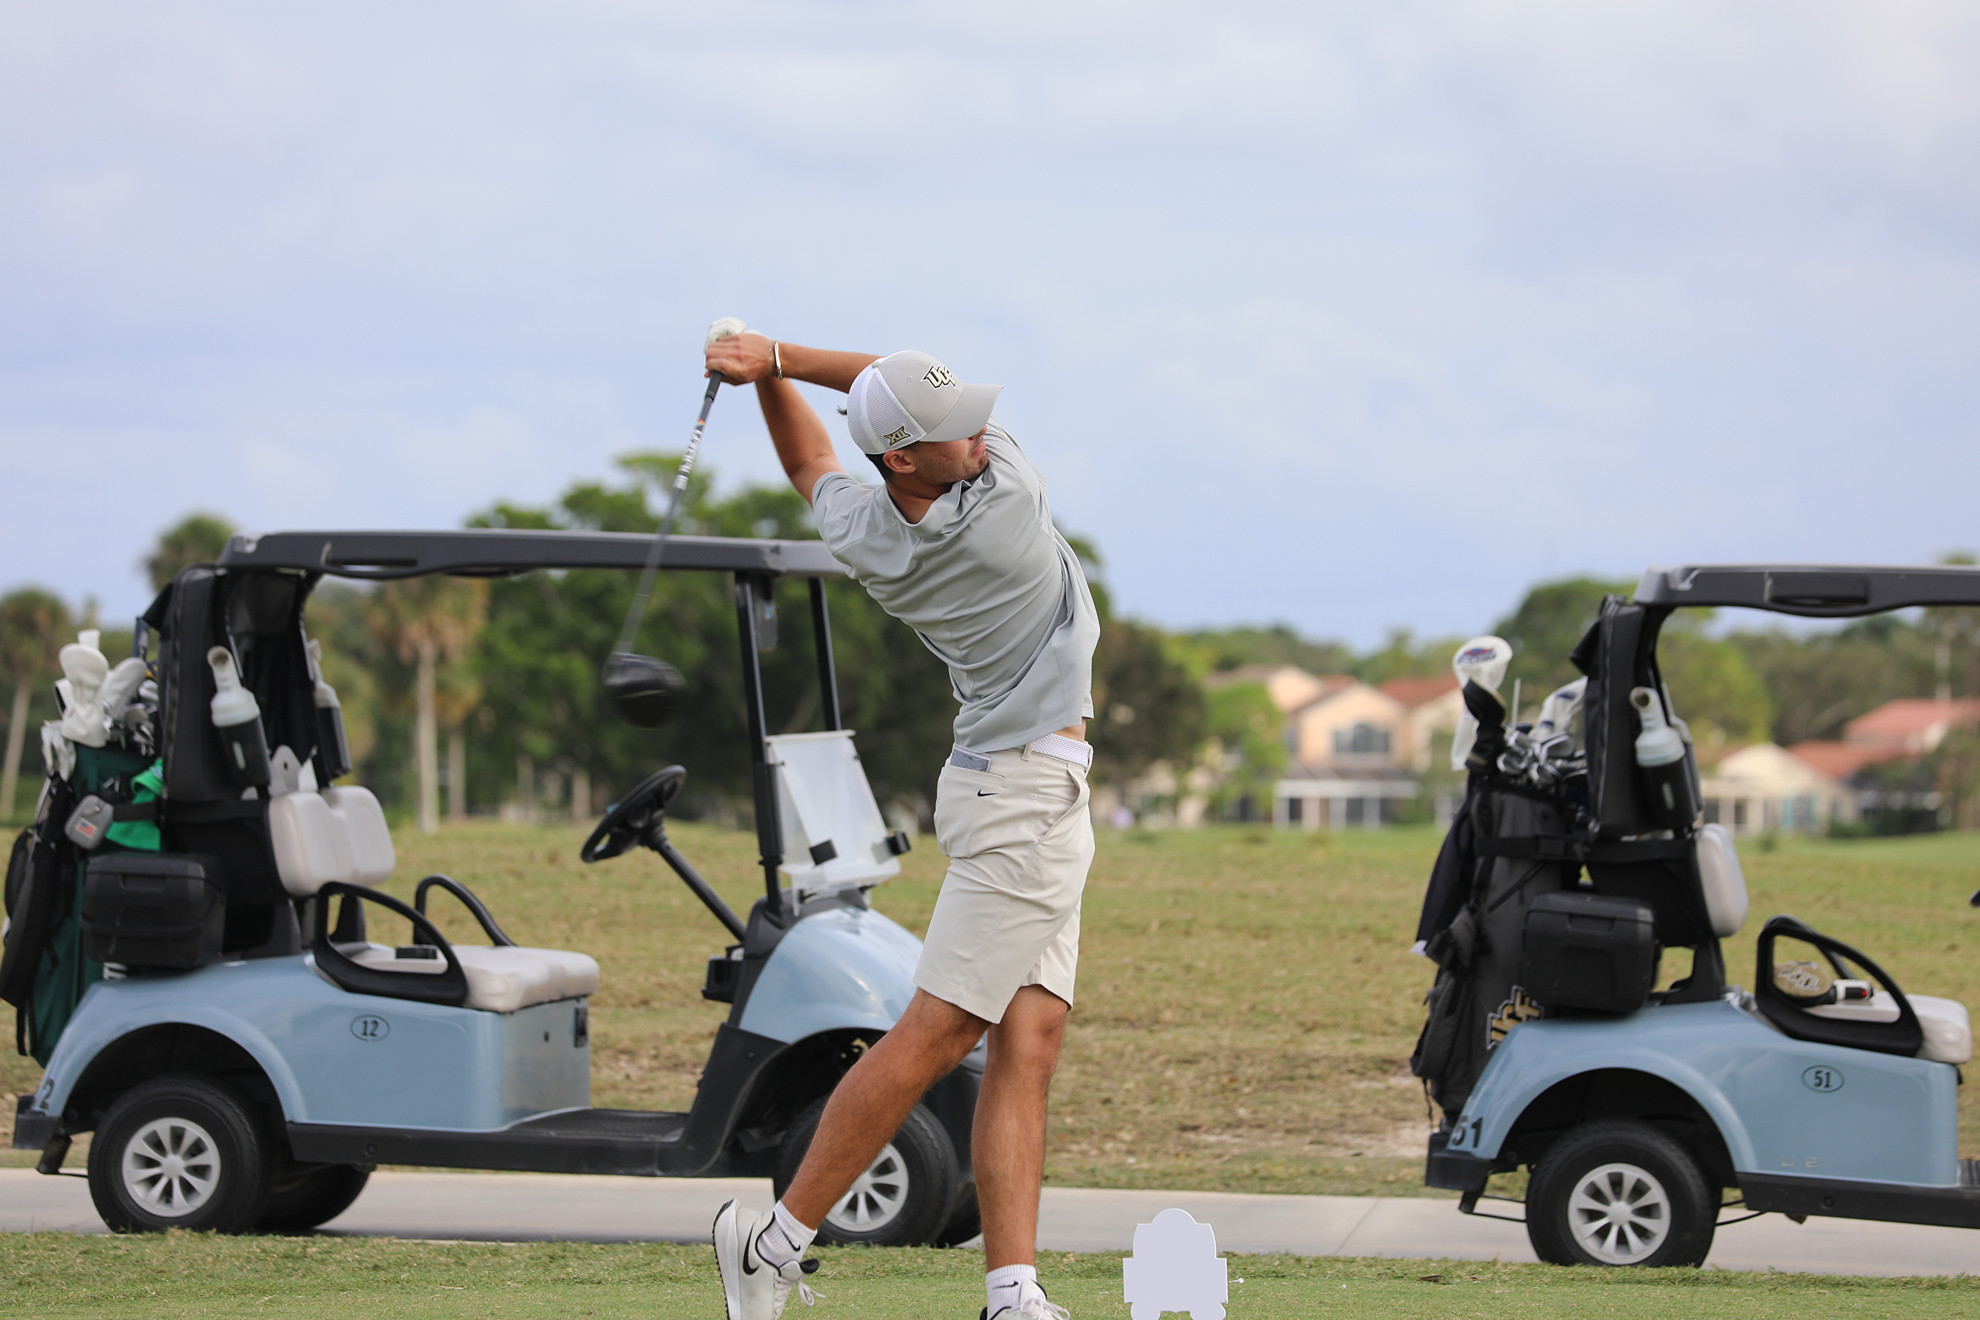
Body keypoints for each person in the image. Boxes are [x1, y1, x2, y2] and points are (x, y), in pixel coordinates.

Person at [703, 328, 1100, 1320]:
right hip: (1022, 799)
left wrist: (766, 372)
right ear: (908, 460)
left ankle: (1012, 1292)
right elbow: (873, 390)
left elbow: (809, 461)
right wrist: (780, 354)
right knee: (939, 1029)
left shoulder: (872, 531)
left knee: (1031, 1031)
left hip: (1019, 789)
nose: (978, 432)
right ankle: (772, 1243)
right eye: (953, 428)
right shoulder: (1003, 506)